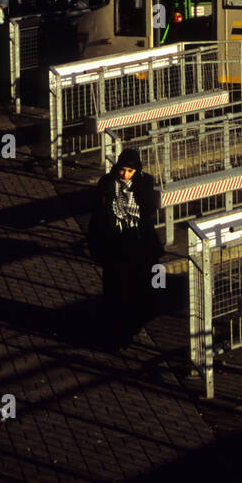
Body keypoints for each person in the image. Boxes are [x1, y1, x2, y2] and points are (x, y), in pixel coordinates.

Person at [86, 148, 162, 349]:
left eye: (130, 171)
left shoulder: (144, 182)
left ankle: (127, 331)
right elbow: (99, 212)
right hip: (115, 242)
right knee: (115, 289)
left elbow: (148, 210)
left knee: (136, 289)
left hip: (137, 243)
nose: (125, 174)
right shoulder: (107, 183)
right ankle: (115, 333)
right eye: (122, 170)